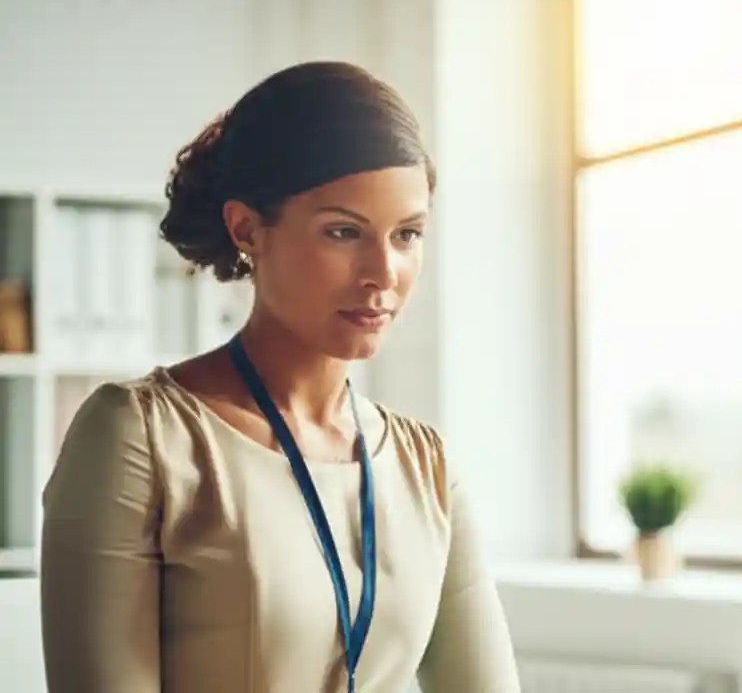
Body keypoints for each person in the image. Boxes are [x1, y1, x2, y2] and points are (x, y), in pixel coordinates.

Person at [39, 61, 521, 692]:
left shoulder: (424, 465)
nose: (383, 272)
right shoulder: (141, 438)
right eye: (344, 232)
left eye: (407, 234)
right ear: (247, 230)